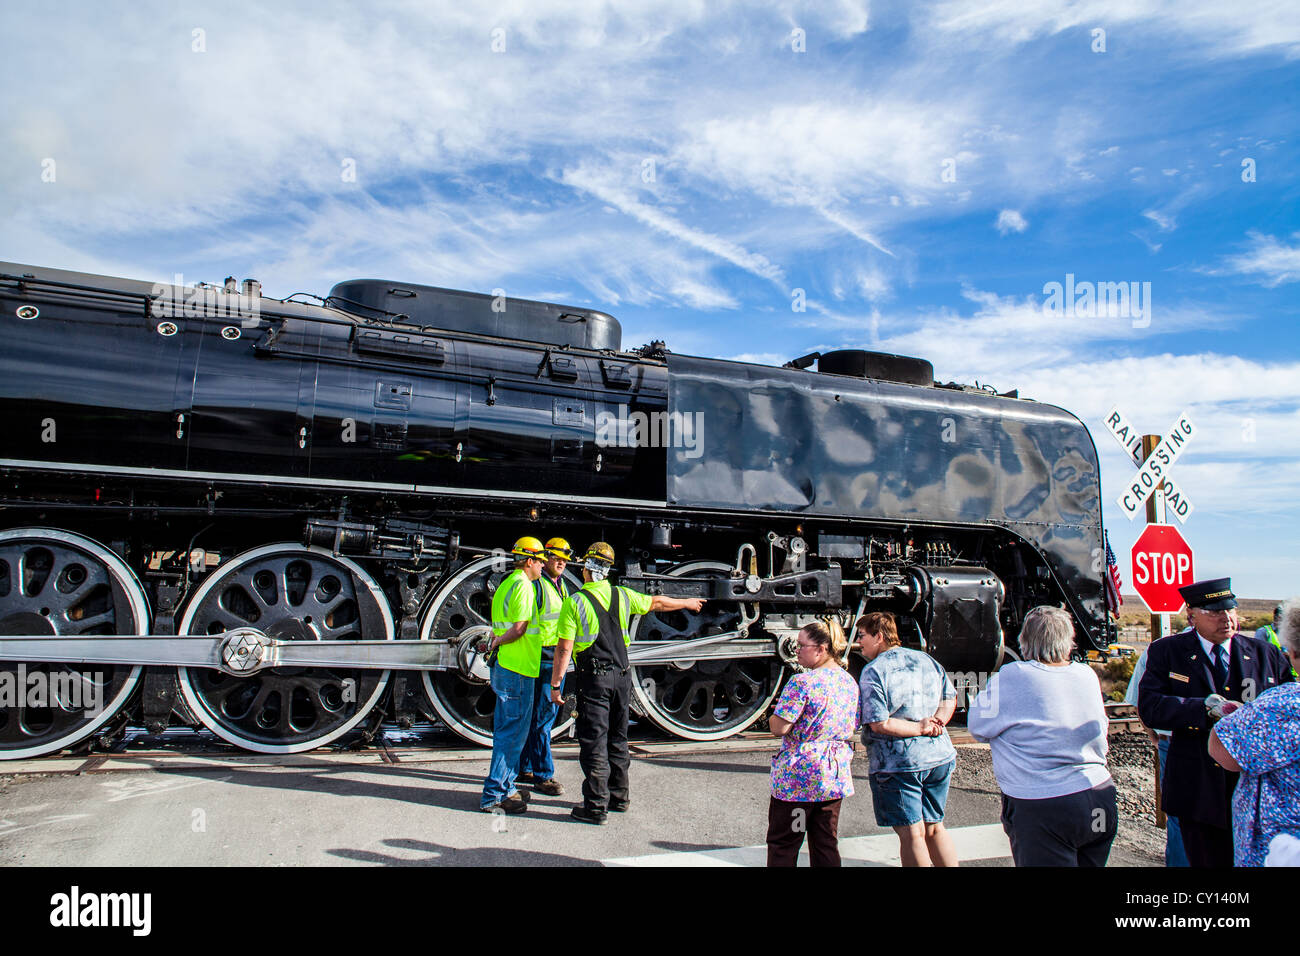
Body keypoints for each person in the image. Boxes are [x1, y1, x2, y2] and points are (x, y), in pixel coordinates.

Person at [1138, 578, 1294, 867]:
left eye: (1230, 609)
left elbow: (1288, 706)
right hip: (1197, 786)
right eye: (1215, 612)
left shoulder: (1264, 653)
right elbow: (1151, 708)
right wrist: (1204, 709)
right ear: (1191, 615)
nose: (1227, 619)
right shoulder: (1167, 652)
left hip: (1254, 790)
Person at [550, 542, 705, 824]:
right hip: (622, 678)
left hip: (594, 679)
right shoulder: (622, 595)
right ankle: (619, 798)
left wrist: (556, 684)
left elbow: (564, 647)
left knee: (594, 742)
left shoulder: (575, 602)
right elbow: (657, 602)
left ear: (586, 570)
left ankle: (596, 807)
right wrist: (687, 602)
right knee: (618, 739)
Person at [969, 605, 1117, 867]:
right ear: (1069, 640)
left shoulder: (1014, 676)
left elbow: (978, 726)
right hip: (1099, 795)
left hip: (1045, 803)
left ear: (1024, 640)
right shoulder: (1086, 674)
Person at [856, 611, 958, 867]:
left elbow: (880, 723)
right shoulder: (926, 659)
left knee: (912, 833)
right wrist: (938, 723)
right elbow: (949, 698)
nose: (859, 642)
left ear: (879, 636)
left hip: (899, 763)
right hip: (939, 756)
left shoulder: (873, 671)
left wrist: (921, 727)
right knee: (934, 827)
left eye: (862, 636)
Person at [1209, 598, 1300, 867]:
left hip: (1280, 849)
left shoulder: (1281, 706)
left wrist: (1245, 716)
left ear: (1293, 651)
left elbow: (1223, 750)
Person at [766, 619, 859, 867]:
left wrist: (774, 715)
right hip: (832, 776)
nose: (796, 650)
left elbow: (779, 727)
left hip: (799, 780)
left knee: (785, 843)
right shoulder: (848, 682)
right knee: (825, 841)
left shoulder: (802, 682)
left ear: (821, 648)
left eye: (801, 645)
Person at [478, 536, 547, 814]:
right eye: (541, 561)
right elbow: (519, 628)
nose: (543, 567)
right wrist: (496, 642)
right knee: (512, 734)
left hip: (507, 665)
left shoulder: (506, 584)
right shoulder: (523, 587)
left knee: (508, 730)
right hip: (518, 668)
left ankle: (507, 788)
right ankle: (494, 795)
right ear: (529, 561)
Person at [516, 537, 573, 797]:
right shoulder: (539, 586)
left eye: (564, 559)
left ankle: (526, 767)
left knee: (538, 718)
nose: (561, 562)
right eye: (555, 557)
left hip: (551, 656)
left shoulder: (561, 587)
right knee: (543, 720)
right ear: (544, 558)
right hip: (543, 658)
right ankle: (543, 775)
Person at [1125, 643, 1189, 866]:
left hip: (1171, 743)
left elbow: (1141, 703)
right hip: (1182, 744)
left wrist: (1154, 735)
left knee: (1180, 817)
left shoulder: (1160, 650)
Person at [1255, 605, 1297, 679]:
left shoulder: (1291, 632)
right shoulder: (1264, 632)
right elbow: (1259, 652)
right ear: (1276, 617)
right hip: (1272, 673)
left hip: (1290, 674)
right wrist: (1281, 655)